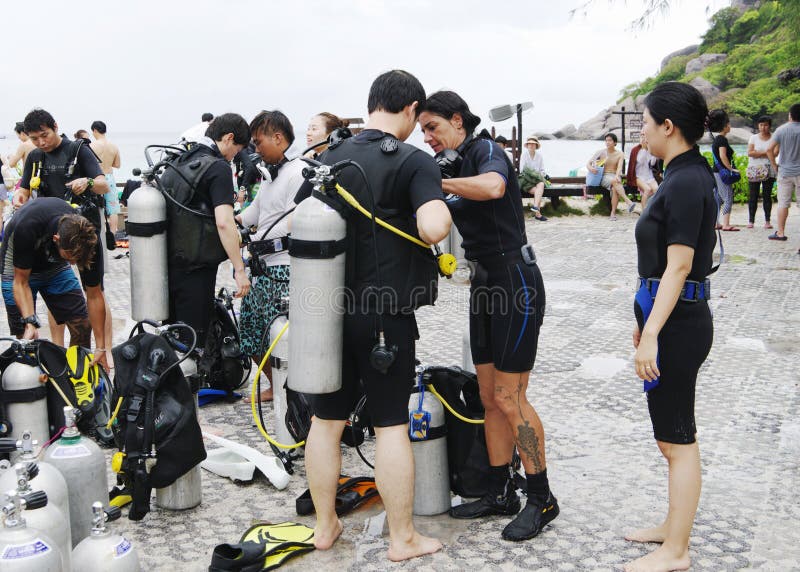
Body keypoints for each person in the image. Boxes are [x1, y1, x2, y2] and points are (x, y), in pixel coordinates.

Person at [299, 70, 451, 561]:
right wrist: (440, 211)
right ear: (410, 109)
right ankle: (403, 538)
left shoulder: (330, 156)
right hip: (383, 316)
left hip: (325, 312)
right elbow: (432, 227)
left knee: (326, 420)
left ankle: (325, 527)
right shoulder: (413, 161)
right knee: (389, 425)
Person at [419, 91, 556, 542]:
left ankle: (541, 496)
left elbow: (495, 187)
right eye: (422, 131)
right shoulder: (454, 163)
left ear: (458, 121)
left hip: (515, 279)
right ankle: (499, 491)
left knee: (510, 396)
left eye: (433, 127)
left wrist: (440, 185)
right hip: (484, 283)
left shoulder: (485, 151)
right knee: (487, 393)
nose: (428, 137)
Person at [626, 81, 717, 572]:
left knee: (678, 439)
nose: (642, 130)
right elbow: (656, 266)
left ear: (669, 126)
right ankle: (671, 529)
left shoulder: (684, 181)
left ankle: (676, 550)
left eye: (645, 121)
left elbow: (678, 268)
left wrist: (655, 333)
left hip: (679, 326)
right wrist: (641, 321)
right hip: (668, 319)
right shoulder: (681, 174)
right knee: (669, 437)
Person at [16, 109, 111, 352]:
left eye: (44, 135)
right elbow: (24, 190)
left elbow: (103, 185)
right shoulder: (36, 157)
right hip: (52, 237)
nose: (41, 142)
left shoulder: (77, 150)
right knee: (53, 291)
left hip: (82, 233)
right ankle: (58, 349)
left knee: (93, 288)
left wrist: (87, 182)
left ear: (55, 127)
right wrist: (20, 197)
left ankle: (102, 349)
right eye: (35, 138)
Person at [163, 113, 250, 347]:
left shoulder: (178, 161)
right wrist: (240, 270)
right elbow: (224, 222)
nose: (235, 156)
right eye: (238, 149)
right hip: (196, 269)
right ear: (229, 138)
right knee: (192, 341)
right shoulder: (218, 168)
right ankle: (191, 383)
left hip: (166, 267)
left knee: (171, 337)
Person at [236, 110, 304, 403]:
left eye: (258, 141)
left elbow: (295, 220)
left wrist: (259, 238)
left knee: (279, 333)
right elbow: (253, 214)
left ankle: (291, 391)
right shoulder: (268, 174)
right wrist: (226, 219)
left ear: (278, 138)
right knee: (249, 330)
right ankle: (276, 384)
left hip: (284, 267)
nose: (255, 149)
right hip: (261, 266)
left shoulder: (298, 171)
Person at [1, 198, 110, 367]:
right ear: (56, 239)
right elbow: (21, 282)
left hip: (55, 266)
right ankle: (35, 386)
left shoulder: (89, 240)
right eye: (71, 258)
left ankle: (75, 378)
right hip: (18, 268)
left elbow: (95, 296)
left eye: (77, 259)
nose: (74, 264)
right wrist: (29, 321)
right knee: (26, 338)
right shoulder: (27, 226)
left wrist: (101, 348)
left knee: (81, 324)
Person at [766, 103, 800, 244]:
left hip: (785, 172)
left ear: (790, 115)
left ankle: (780, 232)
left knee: (783, 203)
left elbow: (769, 149)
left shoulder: (781, 130)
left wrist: (775, 165)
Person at [587, 133, 637, 220]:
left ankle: (613, 213)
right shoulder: (601, 152)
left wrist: (617, 175)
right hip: (604, 176)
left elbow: (619, 167)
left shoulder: (620, 154)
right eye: (606, 140)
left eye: (610, 140)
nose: (607, 142)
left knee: (615, 188)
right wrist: (591, 168)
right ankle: (628, 202)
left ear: (615, 142)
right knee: (615, 182)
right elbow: (588, 163)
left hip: (615, 176)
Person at [709, 109, 740, 231]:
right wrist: (731, 168)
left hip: (716, 171)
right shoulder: (722, 139)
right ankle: (726, 224)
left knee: (718, 198)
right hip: (722, 173)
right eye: (729, 124)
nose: (730, 126)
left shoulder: (717, 139)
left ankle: (716, 222)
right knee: (727, 197)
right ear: (725, 126)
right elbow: (723, 156)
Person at [90, 120, 122, 233]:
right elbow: (117, 165)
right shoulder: (113, 146)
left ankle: (100, 232)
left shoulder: (91, 146)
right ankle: (113, 234)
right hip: (109, 178)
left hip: (97, 178)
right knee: (113, 208)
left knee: (97, 207)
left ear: (94, 130)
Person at [746, 116, 775, 229]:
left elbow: (776, 153)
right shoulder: (753, 138)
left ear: (769, 126)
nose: (763, 127)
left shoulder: (774, 138)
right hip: (754, 169)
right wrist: (767, 152)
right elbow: (750, 153)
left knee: (767, 196)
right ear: (758, 125)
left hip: (769, 169)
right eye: (761, 125)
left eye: (766, 125)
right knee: (753, 195)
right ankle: (751, 221)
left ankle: (767, 221)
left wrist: (757, 152)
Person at [519, 136, 548, 221]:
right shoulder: (524, 155)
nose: (531, 145)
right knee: (538, 191)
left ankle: (535, 207)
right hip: (526, 180)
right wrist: (534, 175)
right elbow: (522, 170)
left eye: (533, 144)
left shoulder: (539, 156)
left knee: (541, 184)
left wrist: (539, 175)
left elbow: (542, 170)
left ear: (536, 146)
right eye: (529, 144)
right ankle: (538, 214)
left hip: (537, 180)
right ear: (527, 145)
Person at [627, 136, 659, 209]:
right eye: (642, 138)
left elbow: (653, 164)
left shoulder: (651, 150)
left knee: (656, 189)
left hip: (649, 176)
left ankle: (653, 209)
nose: (644, 140)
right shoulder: (636, 150)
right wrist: (644, 149)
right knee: (647, 189)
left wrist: (653, 153)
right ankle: (644, 211)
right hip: (638, 176)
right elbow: (640, 161)